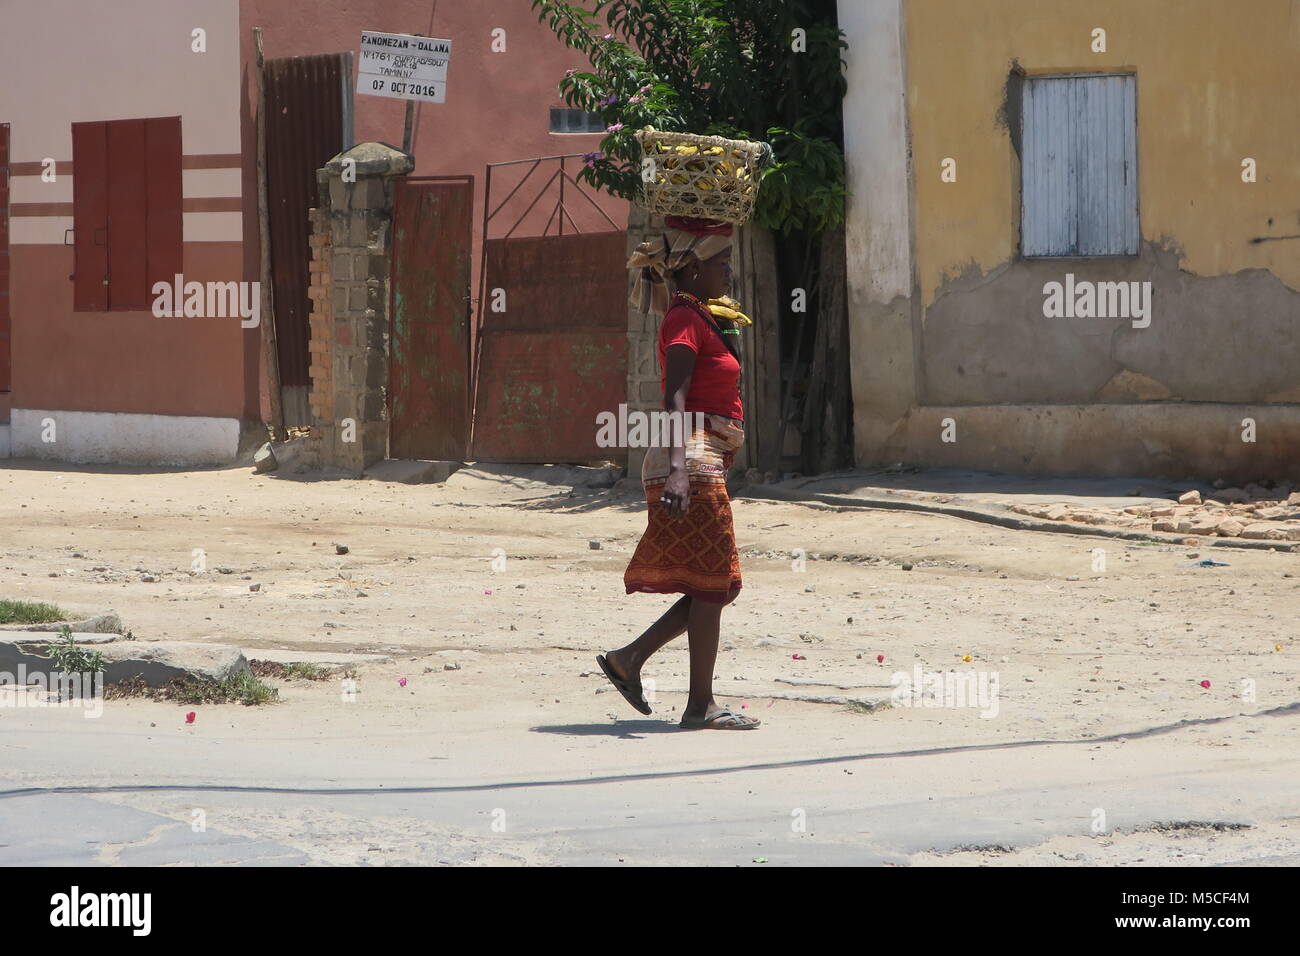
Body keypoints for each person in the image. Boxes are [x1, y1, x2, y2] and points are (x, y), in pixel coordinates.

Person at [596, 215, 760, 730]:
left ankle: (630, 659)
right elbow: (676, 398)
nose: (729, 270)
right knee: (715, 584)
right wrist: (679, 473)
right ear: (691, 270)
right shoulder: (682, 320)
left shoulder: (704, 315)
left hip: (704, 456)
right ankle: (699, 706)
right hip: (691, 456)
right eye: (721, 262)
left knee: (720, 585)